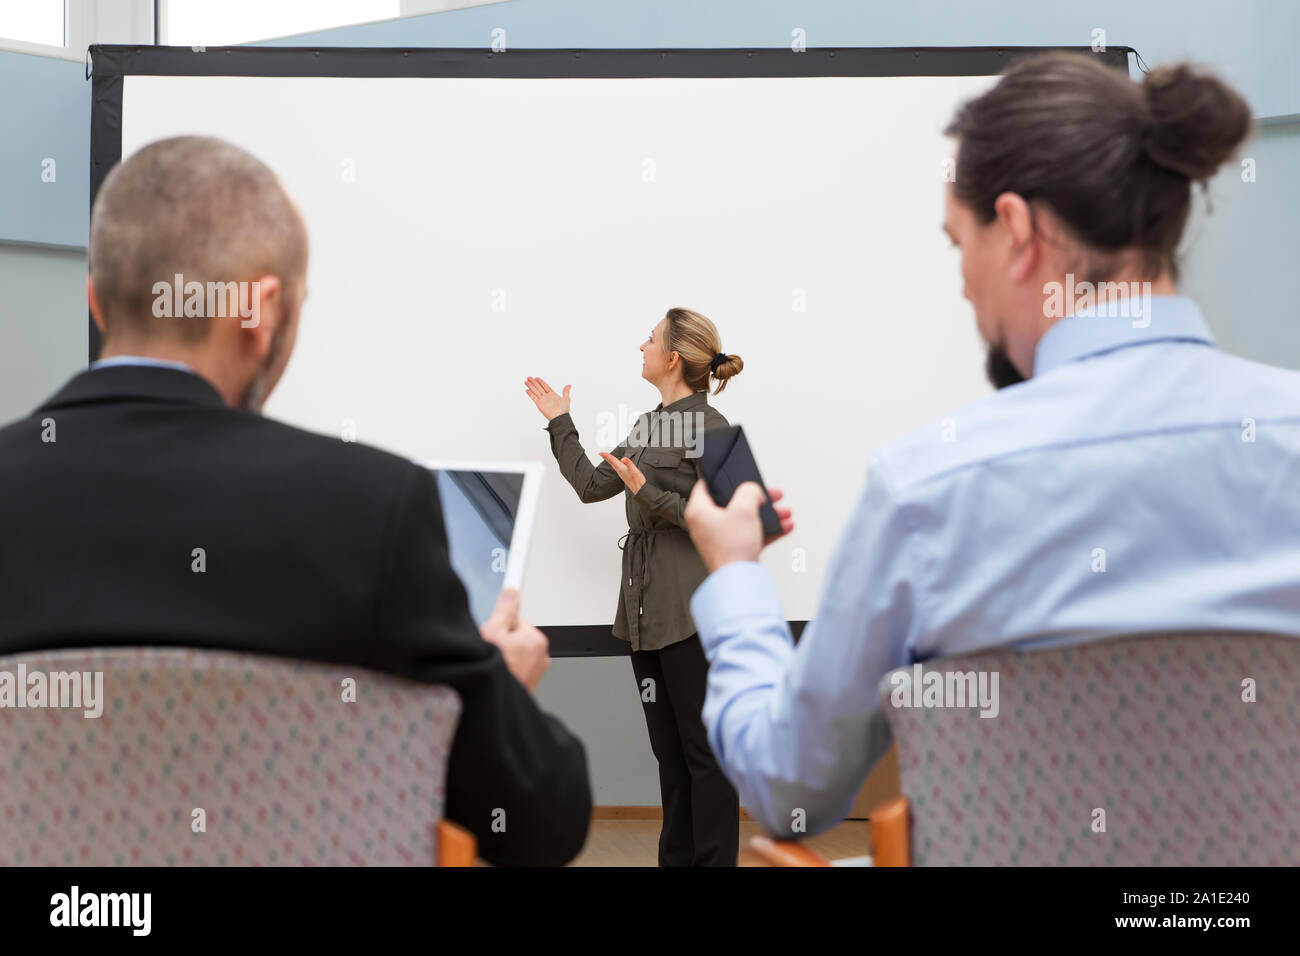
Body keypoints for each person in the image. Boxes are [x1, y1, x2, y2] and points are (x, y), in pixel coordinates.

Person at [681, 52, 1292, 838]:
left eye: (957, 243)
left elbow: (786, 787)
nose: (965, 282)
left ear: (1017, 229)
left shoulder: (925, 493)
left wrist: (735, 577)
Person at [0, 135, 590, 867]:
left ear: (95, 299)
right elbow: (541, 823)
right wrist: (495, 682)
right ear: (263, 311)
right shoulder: (375, 510)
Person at [524, 308, 744, 865]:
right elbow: (593, 485)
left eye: (650, 339)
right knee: (670, 758)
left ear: (673, 358)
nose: (640, 345)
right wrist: (560, 422)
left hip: (693, 611)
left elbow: (740, 521)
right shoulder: (648, 425)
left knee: (705, 758)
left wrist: (651, 496)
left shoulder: (714, 427)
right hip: (644, 611)